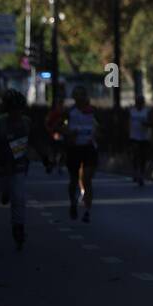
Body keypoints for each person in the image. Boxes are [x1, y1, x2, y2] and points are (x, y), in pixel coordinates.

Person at [0, 90, 37, 250]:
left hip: (17, 168)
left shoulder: (26, 122)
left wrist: (45, 158)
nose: (16, 114)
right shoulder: (0, 123)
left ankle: (18, 228)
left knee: (19, 198)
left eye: (19, 110)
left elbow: (32, 141)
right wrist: (1, 157)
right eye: (13, 110)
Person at [64, 85, 100, 223]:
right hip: (74, 148)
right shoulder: (69, 111)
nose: (80, 98)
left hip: (89, 148)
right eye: (77, 95)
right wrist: (68, 132)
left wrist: (96, 133)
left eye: (82, 95)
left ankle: (87, 210)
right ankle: (73, 203)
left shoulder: (93, 111)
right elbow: (58, 126)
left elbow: (101, 126)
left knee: (87, 179)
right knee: (73, 180)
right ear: (74, 97)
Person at [129, 93, 153, 186]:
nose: (139, 103)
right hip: (134, 137)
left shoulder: (147, 111)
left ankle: (141, 174)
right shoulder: (132, 111)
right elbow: (127, 122)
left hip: (144, 137)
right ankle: (136, 172)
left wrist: (146, 123)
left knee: (143, 156)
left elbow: (152, 123)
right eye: (137, 101)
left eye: (140, 101)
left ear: (143, 102)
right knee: (135, 155)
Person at [44, 92, 66, 174]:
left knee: (61, 150)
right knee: (55, 150)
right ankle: (51, 165)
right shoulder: (54, 112)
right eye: (59, 103)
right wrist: (50, 129)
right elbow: (47, 122)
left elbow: (67, 122)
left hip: (62, 133)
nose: (61, 105)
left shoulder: (64, 112)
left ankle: (58, 165)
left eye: (61, 103)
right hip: (54, 133)